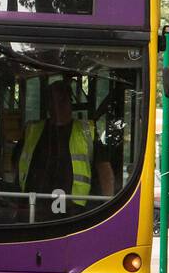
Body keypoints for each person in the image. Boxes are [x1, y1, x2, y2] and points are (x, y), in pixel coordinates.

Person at [16, 80, 114, 213]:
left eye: (61, 101)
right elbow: (15, 163)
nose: (57, 106)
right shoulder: (32, 131)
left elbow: (104, 168)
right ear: (48, 105)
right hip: (35, 207)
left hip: (74, 211)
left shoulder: (87, 132)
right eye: (52, 101)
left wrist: (108, 206)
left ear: (70, 103)